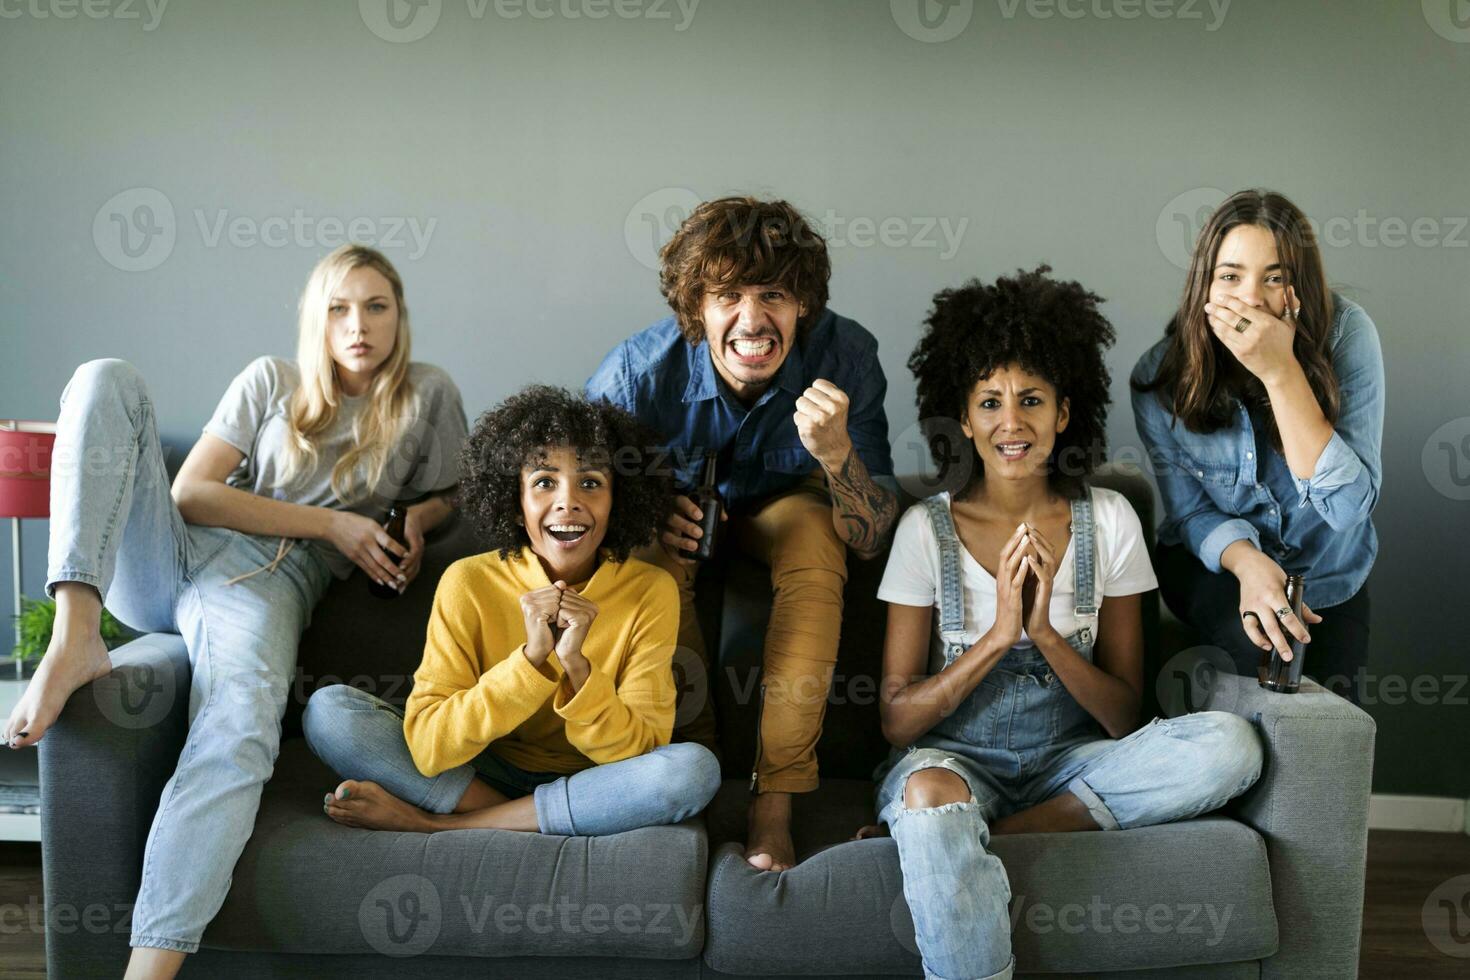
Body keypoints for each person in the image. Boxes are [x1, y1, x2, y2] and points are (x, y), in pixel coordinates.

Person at [4, 244, 467, 979]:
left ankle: (146, 972)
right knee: (104, 379)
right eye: (339, 308)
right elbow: (190, 492)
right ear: (314, 319)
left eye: (377, 306)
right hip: (176, 552)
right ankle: (76, 630)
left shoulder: (427, 395)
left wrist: (417, 518)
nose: (359, 325)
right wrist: (335, 524)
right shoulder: (270, 381)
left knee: (240, 726)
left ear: (399, 317)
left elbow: (455, 489)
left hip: (264, 586)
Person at [865, 267, 1263, 980]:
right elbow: (898, 722)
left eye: (1031, 400)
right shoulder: (925, 531)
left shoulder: (1109, 520)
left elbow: (1122, 715)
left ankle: (986, 838)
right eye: (989, 402)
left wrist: (1045, 631)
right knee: (927, 794)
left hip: (1070, 768)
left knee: (1231, 745)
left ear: (1064, 413)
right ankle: (957, 838)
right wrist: (997, 638)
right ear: (963, 419)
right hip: (954, 763)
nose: (1011, 423)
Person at [587, 196, 898, 872]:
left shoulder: (846, 357)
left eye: (774, 294)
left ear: (803, 306)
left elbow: (871, 536)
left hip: (786, 514)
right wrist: (642, 513)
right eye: (728, 294)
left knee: (818, 538)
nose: (752, 319)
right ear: (695, 308)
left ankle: (774, 803)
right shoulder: (636, 377)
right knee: (646, 557)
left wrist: (840, 458)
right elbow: (571, 525)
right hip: (680, 525)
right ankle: (694, 774)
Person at [304, 386, 722, 838]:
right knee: (329, 712)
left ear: (617, 503)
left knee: (693, 770)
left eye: (591, 482)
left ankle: (441, 824)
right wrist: (528, 663)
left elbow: (640, 752)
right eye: (544, 482)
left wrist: (579, 671)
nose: (568, 501)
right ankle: (523, 816)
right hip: (486, 774)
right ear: (515, 504)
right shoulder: (468, 581)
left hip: (594, 781)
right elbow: (428, 747)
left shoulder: (650, 590)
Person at [1132, 189, 1384, 699]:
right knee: (1264, 655)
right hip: (1216, 568)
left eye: (1275, 277)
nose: (1250, 298)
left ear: (1301, 286)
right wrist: (1249, 563)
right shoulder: (1161, 375)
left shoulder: (1348, 336)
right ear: (1205, 285)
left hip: (1327, 575)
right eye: (1230, 276)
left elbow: (1348, 508)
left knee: (1333, 723)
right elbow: (1189, 515)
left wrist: (1280, 371)